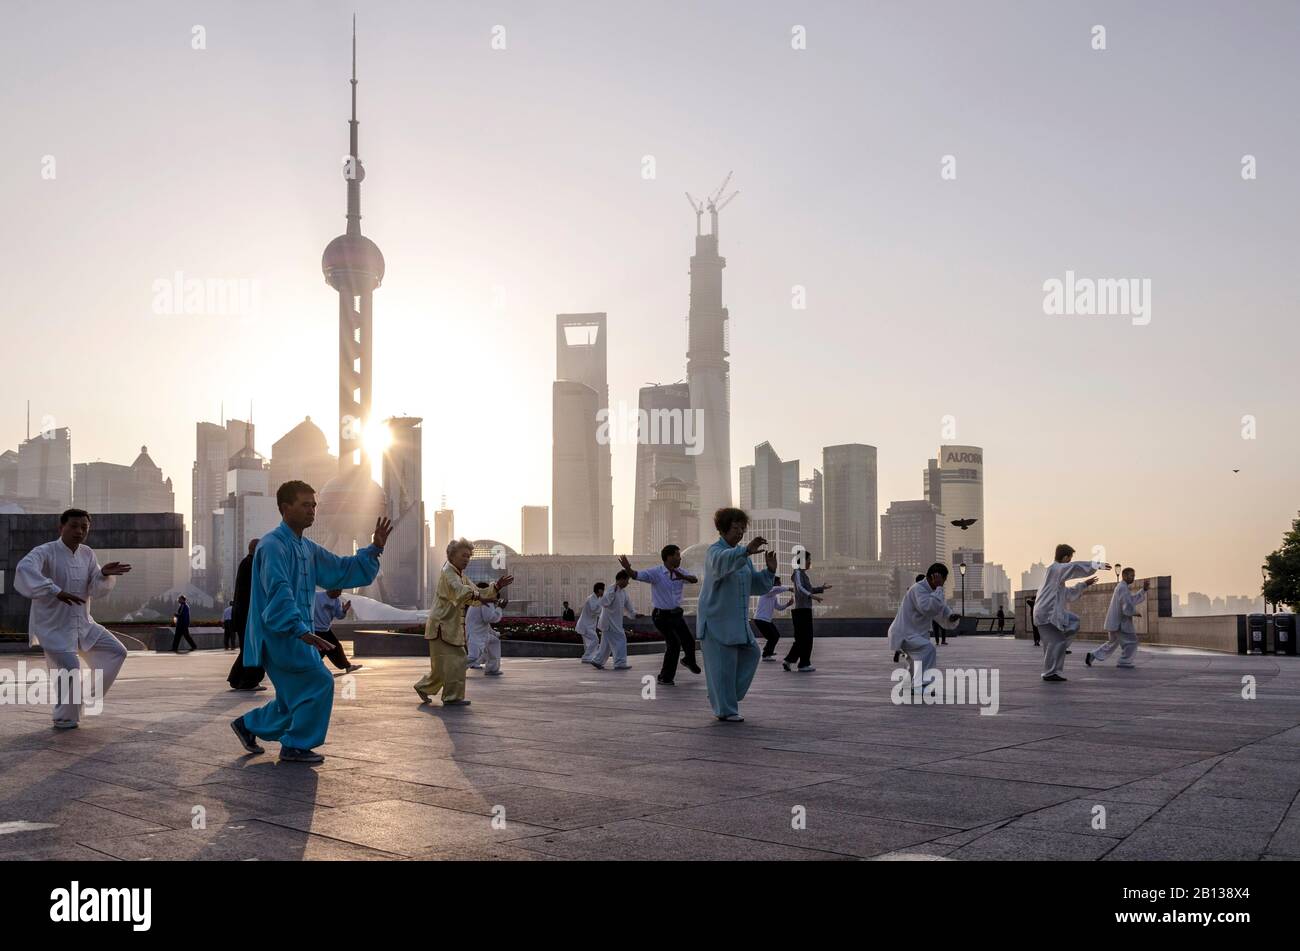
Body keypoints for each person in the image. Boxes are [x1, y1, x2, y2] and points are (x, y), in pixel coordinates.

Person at [229, 481, 388, 764]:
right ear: (285, 507)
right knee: (320, 681)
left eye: (314, 505)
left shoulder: (308, 548)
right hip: (279, 634)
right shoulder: (272, 546)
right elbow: (278, 590)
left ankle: (248, 725)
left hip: (299, 634)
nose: (312, 510)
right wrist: (299, 629)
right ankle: (295, 745)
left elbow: (340, 569)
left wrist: (374, 548)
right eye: (305, 505)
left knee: (296, 696)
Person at [15, 508, 132, 729]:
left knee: (117, 652)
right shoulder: (45, 551)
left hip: (84, 623)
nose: (79, 531)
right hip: (54, 626)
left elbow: (95, 588)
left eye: (84, 527)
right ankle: (64, 718)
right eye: (74, 526)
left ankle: (84, 697)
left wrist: (103, 574)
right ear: (61, 528)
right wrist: (54, 590)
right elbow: (24, 569)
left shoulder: (87, 554)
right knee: (70, 669)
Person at [697, 507, 775, 722]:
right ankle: (726, 709)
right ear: (722, 530)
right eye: (735, 528)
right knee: (724, 666)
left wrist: (769, 571)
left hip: (737, 621)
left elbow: (755, 585)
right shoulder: (714, 552)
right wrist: (746, 551)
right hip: (716, 620)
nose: (740, 532)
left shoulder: (743, 556)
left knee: (752, 653)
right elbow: (723, 563)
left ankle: (722, 694)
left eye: (742, 529)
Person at [415, 538, 512, 706]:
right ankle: (450, 696)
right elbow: (461, 591)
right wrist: (480, 597)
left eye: (468, 556)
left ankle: (426, 688)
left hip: (449, 628)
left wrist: (496, 587)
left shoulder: (460, 575)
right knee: (454, 661)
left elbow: (476, 591)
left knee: (447, 664)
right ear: (452, 556)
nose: (467, 559)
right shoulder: (449, 573)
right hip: (441, 626)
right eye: (463, 555)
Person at [618, 546, 701, 686]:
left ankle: (689, 661)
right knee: (674, 644)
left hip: (676, 614)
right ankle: (665, 677)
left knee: (689, 640)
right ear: (669, 557)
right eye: (677, 555)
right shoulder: (656, 573)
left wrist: (683, 577)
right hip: (661, 616)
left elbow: (694, 580)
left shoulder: (680, 571)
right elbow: (636, 575)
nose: (680, 558)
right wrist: (627, 568)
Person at [1032, 543, 1108, 682]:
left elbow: (1067, 594)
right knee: (1056, 642)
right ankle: (1050, 672)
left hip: (1048, 613)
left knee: (1073, 621)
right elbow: (1074, 567)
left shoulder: (1056, 577)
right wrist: (1095, 565)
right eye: (1069, 558)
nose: (1070, 561)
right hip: (1047, 614)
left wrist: (1084, 584)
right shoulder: (1055, 569)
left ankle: (1058, 655)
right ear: (1065, 557)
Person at [889, 564, 961, 692]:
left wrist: (950, 616)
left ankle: (908, 685)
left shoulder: (929, 591)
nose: (942, 584)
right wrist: (939, 587)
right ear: (935, 577)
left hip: (912, 633)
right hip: (905, 634)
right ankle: (922, 685)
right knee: (928, 650)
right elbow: (928, 608)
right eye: (942, 581)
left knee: (915, 661)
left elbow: (940, 608)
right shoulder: (919, 589)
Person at [1087, 569, 1149, 669]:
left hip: (1114, 622)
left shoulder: (1121, 587)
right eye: (1131, 576)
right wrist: (1134, 612)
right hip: (1120, 623)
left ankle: (1093, 655)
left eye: (1133, 576)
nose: (1133, 578)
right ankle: (1124, 661)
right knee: (1132, 642)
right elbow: (1127, 604)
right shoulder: (1123, 588)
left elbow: (1130, 600)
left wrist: (1143, 590)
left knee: (1112, 642)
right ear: (1124, 576)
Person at [227, 538, 266, 690]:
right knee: (254, 648)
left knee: (248, 648)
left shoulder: (246, 563)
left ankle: (236, 678)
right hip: (248, 615)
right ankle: (250, 681)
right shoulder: (252, 564)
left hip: (242, 614)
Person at [784, 551, 830, 672]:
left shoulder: (802, 574)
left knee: (801, 639)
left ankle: (789, 661)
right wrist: (811, 596)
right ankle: (803, 664)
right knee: (806, 638)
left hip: (804, 610)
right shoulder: (798, 573)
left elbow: (808, 589)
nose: (810, 562)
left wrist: (821, 588)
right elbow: (800, 588)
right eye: (809, 560)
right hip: (801, 610)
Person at [590, 571, 635, 670]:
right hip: (610, 623)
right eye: (627, 580)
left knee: (606, 645)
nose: (628, 583)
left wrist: (634, 614)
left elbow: (628, 606)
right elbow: (604, 603)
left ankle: (597, 660)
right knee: (621, 640)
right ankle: (620, 663)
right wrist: (609, 594)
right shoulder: (611, 590)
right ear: (621, 579)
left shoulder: (623, 593)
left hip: (614, 623)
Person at [311, 588, 362, 674]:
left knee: (335, 648)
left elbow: (339, 616)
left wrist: (344, 611)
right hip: (315, 629)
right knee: (323, 650)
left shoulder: (336, 601)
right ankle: (311, 668)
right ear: (332, 589)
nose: (340, 594)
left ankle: (347, 666)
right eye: (339, 591)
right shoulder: (317, 596)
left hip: (326, 629)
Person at [466, 585, 506, 676]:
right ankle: (453, 671)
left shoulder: (480, 600)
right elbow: (489, 618)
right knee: (473, 656)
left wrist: (497, 634)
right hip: (476, 635)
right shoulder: (487, 601)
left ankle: (492, 669)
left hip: (480, 634)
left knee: (494, 642)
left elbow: (486, 624)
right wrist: (500, 608)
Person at [752, 576, 793, 660]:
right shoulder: (766, 591)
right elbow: (776, 589)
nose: (780, 584)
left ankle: (768, 651)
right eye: (779, 582)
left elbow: (778, 607)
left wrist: (787, 604)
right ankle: (766, 654)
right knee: (773, 637)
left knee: (776, 635)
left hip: (766, 620)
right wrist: (789, 588)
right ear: (774, 583)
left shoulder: (774, 595)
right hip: (761, 619)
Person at [574, 583, 604, 663]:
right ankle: (586, 656)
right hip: (585, 625)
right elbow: (594, 609)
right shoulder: (591, 599)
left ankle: (589, 657)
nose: (603, 592)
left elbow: (598, 612)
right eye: (603, 590)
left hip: (589, 625)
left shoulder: (596, 599)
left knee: (589, 643)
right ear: (599, 590)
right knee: (595, 639)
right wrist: (601, 604)